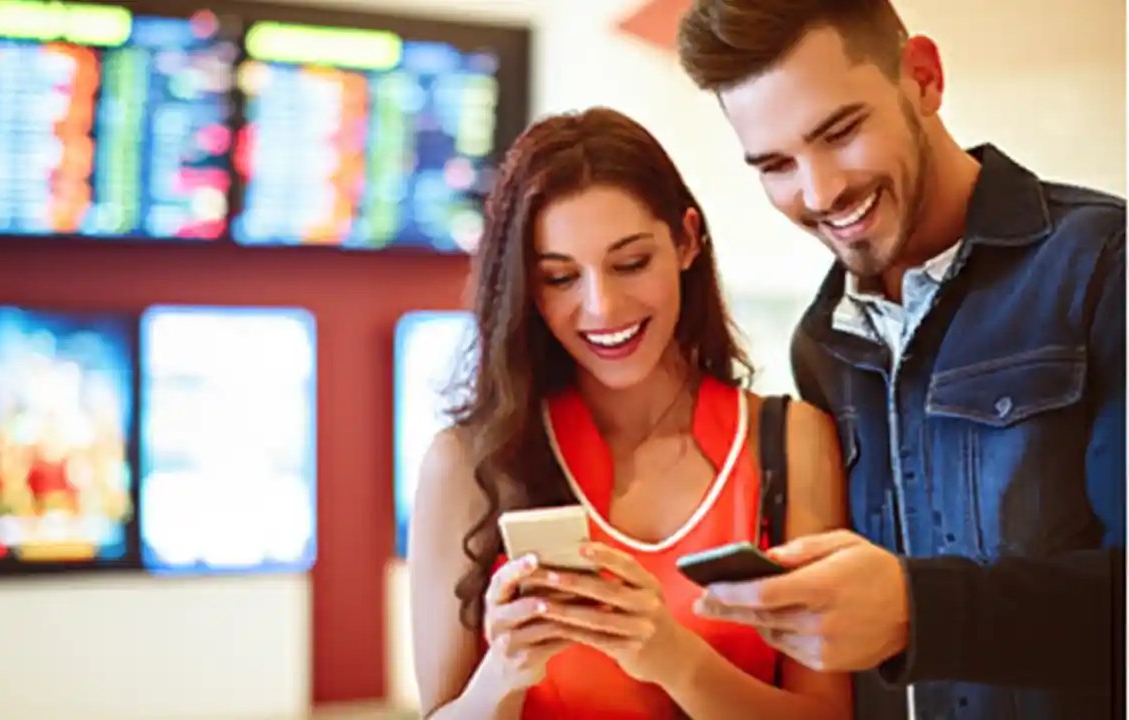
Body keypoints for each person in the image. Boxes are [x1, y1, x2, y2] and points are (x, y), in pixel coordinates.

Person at [675, 1, 1126, 719]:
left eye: (841, 132)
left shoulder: (1106, 265)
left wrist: (921, 613)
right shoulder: (821, 346)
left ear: (922, 78)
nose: (820, 191)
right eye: (777, 165)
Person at [407, 107, 853, 718]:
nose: (603, 307)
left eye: (631, 263)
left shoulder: (789, 442)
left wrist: (673, 659)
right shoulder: (468, 463)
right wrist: (503, 675)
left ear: (687, 241)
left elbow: (827, 715)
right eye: (560, 277)